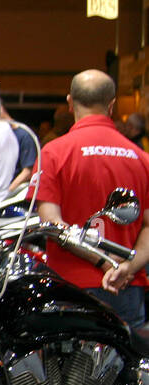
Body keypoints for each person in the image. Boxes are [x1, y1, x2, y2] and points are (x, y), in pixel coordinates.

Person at [36, 69, 149, 330]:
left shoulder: (54, 153)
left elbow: (52, 224)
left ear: (69, 102)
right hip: (126, 286)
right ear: (112, 105)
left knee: (66, 370)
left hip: (71, 285)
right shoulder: (141, 159)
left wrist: (103, 262)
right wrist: (126, 266)